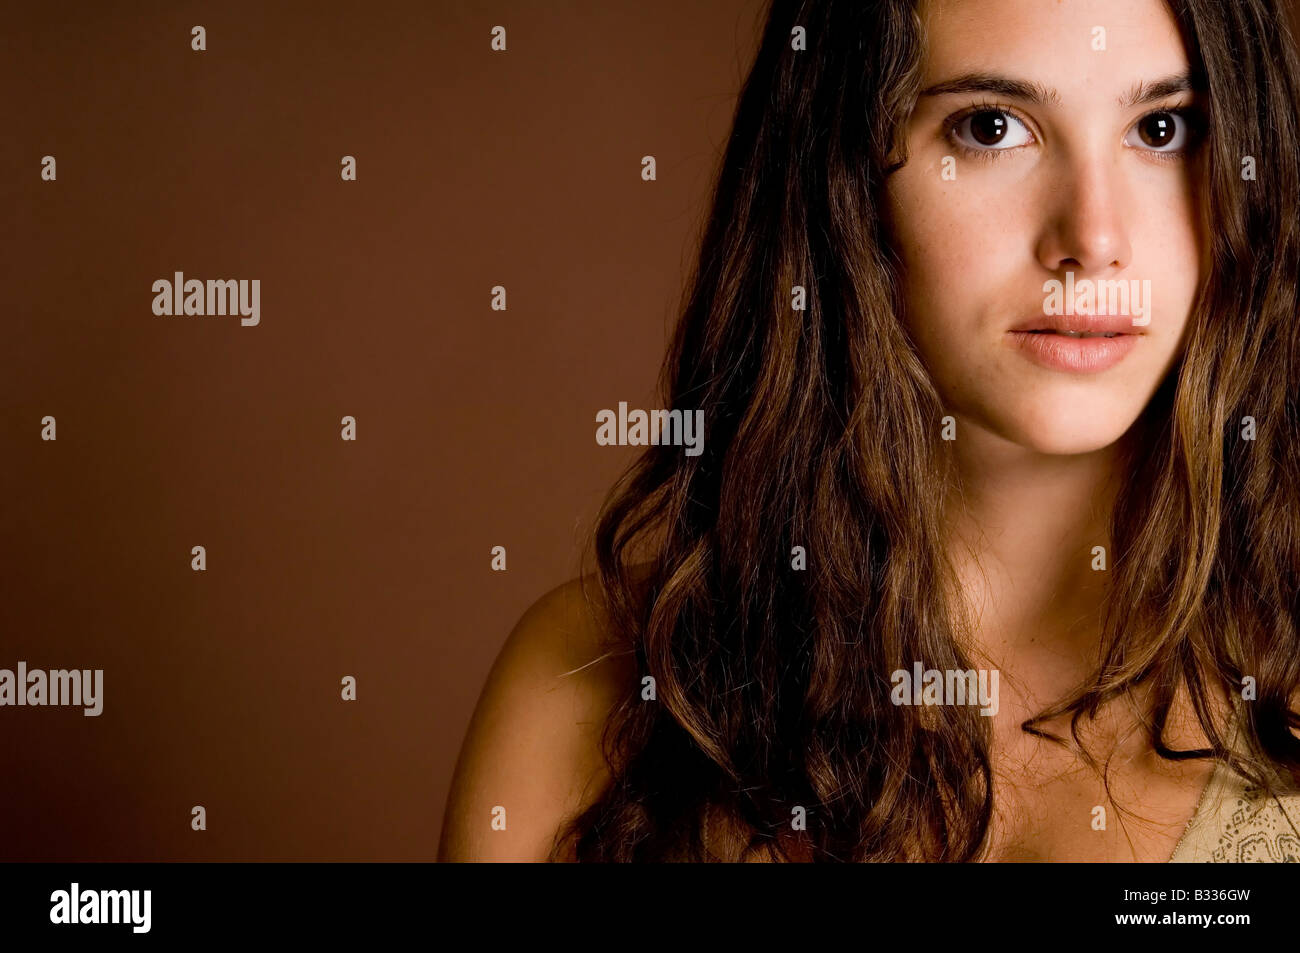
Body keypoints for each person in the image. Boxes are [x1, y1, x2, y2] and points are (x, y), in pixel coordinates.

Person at [439, 0, 1300, 862]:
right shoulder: (586, 689)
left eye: (1161, 128)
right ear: (841, 179)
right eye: (991, 127)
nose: (1095, 238)